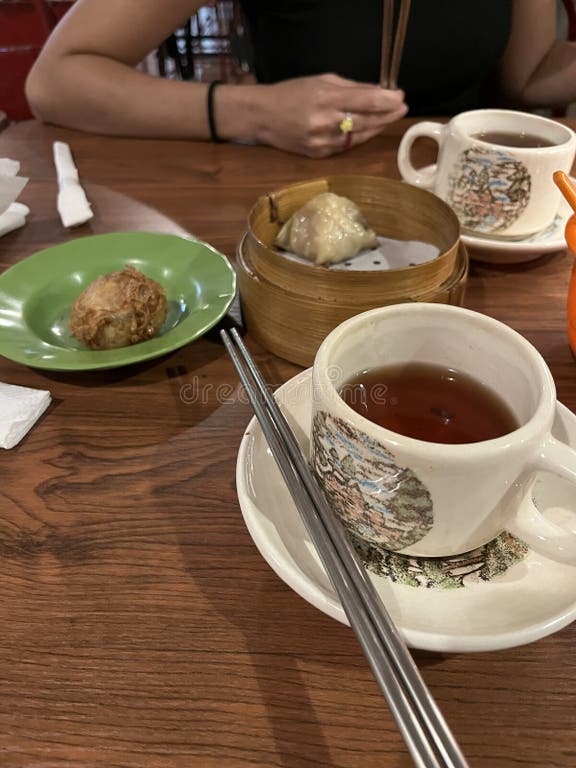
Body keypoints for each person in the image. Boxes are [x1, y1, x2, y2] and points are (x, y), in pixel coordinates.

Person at [25, 0, 576, 158]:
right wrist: (259, 113)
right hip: (300, 193)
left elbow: (525, 78)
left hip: (473, 203)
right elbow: (57, 79)